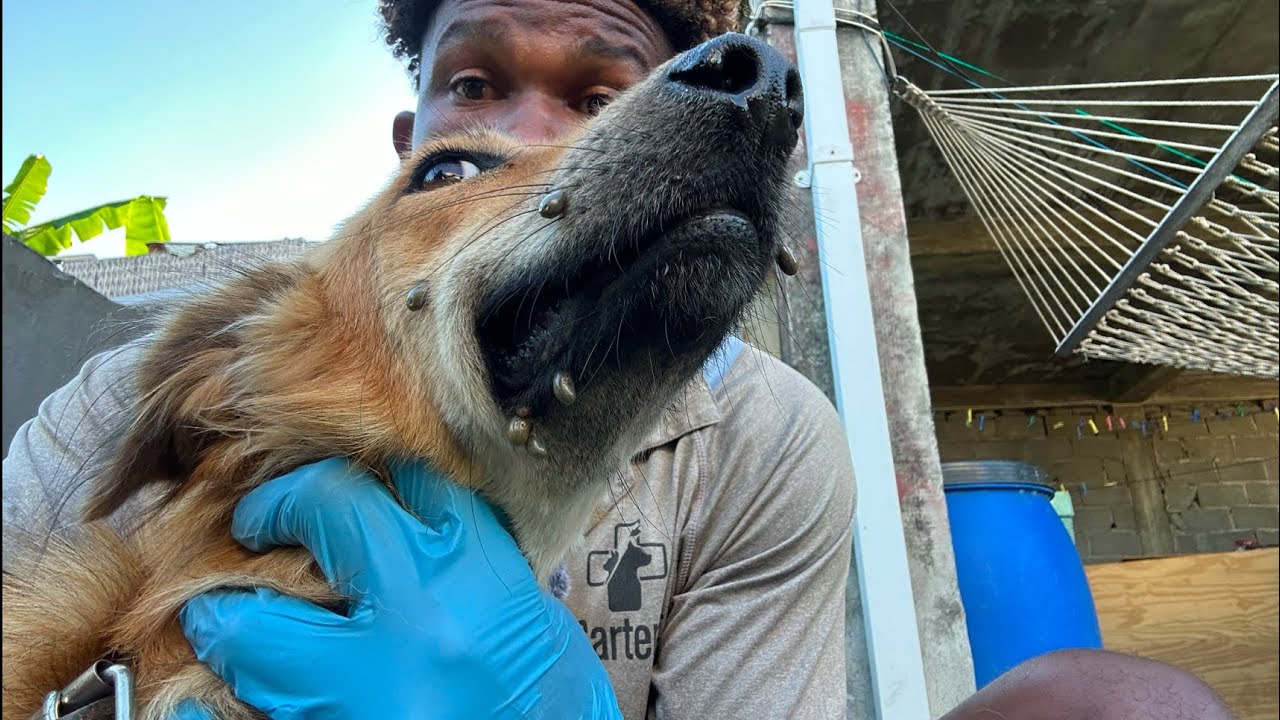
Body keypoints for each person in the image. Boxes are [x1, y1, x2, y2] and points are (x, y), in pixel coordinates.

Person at [1, 1, 1236, 719]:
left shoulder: (768, 440)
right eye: (462, 138)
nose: (528, 135)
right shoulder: (135, 404)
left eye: (606, 103)